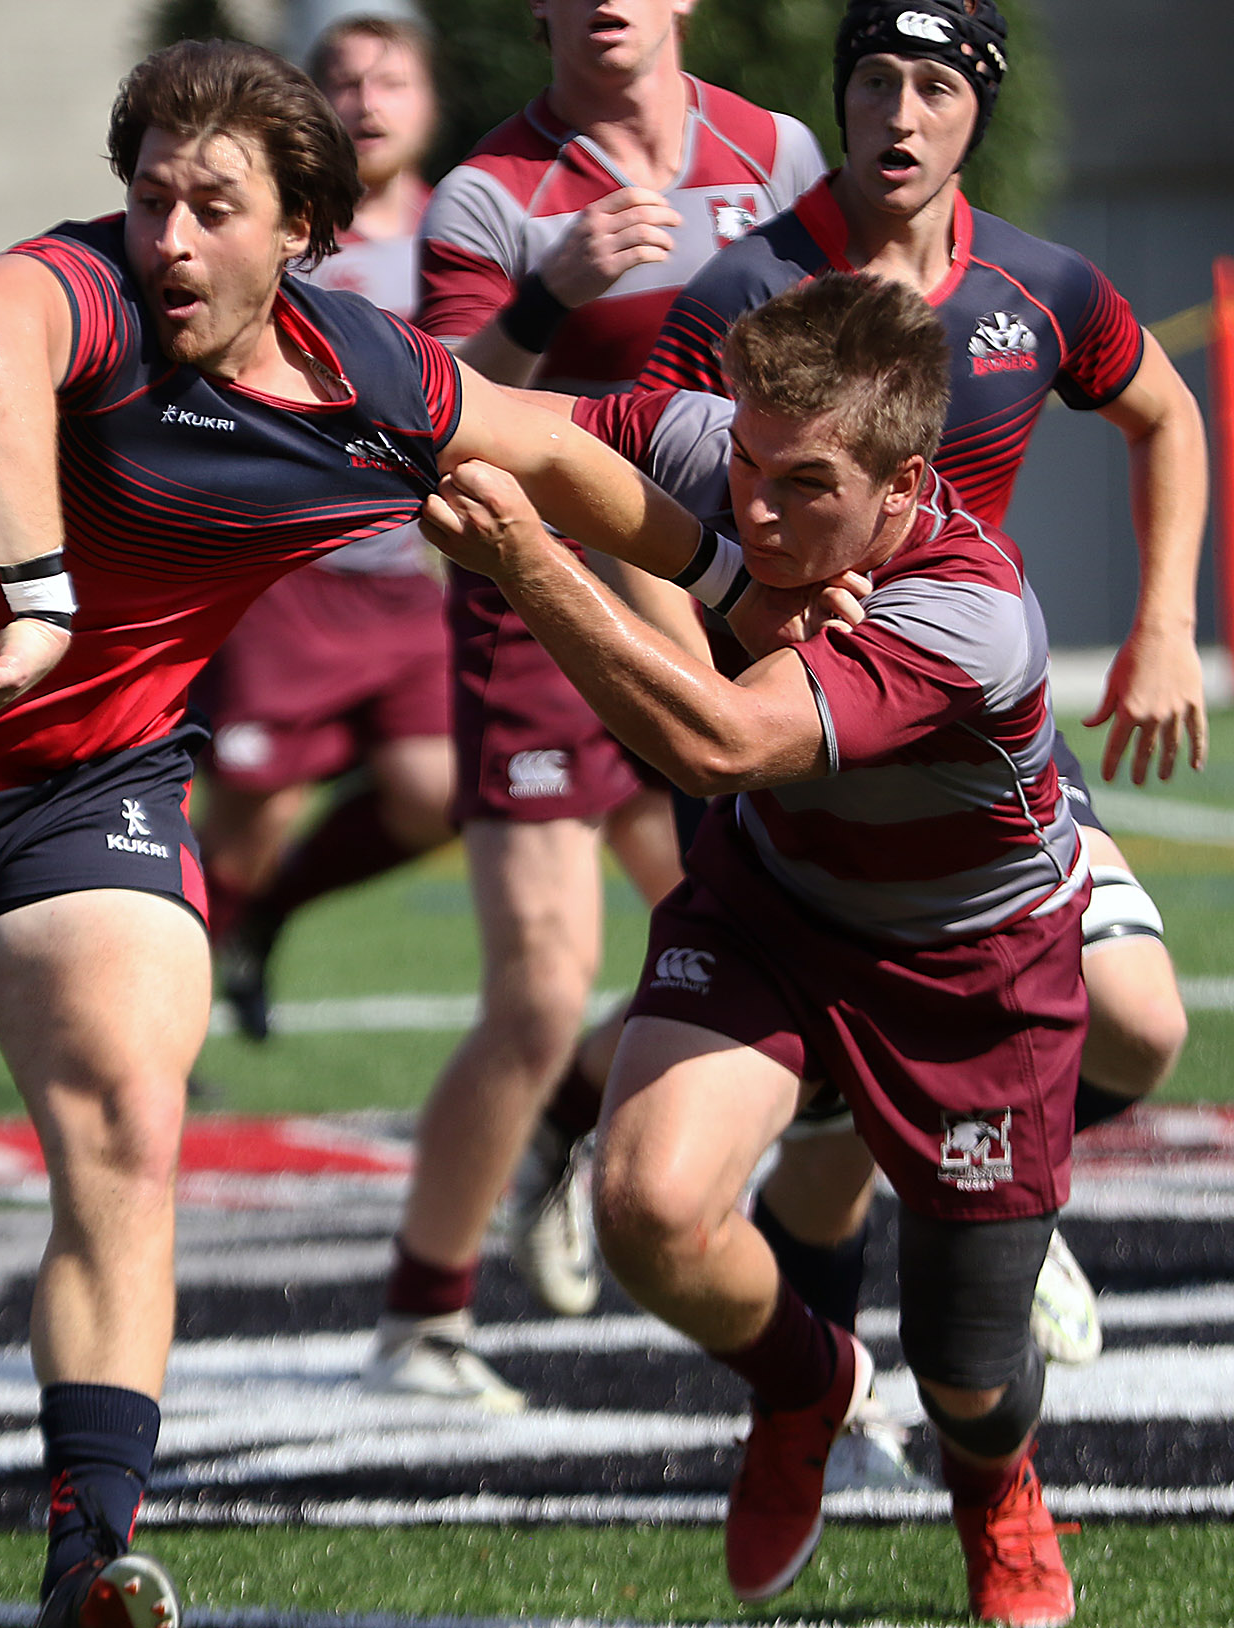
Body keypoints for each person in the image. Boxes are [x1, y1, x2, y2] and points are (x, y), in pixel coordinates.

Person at [0, 38, 843, 1628]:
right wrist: (36, 598)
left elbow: (569, 454)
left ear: (302, 225)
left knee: (121, 1121)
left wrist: (738, 585)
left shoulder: (371, 381)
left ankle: (89, 1552)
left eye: (212, 207)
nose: (168, 235)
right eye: (150, 195)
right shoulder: (80, 295)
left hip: (88, 789)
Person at [516, 0, 1208, 1388]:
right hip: (775, 723)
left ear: (977, 111)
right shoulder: (746, 289)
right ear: (841, 101)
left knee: (1144, 1023)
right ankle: (793, 1361)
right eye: (876, 81)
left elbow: (1165, 413)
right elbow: (633, 484)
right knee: (769, 1046)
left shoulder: (1042, 288)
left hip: (955, 709)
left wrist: (1166, 621)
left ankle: (996, 1184)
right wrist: (703, 632)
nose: (901, 113)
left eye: (936, 86)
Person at [425, 272, 1082, 1627]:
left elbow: (714, 742)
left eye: (805, 486)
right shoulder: (738, 446)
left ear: (904, 486)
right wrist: (312, 363)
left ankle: (995, 1488)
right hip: (773, 913)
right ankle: (807, 1386)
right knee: (647, 1210)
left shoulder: (966, 610)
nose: (759, 505)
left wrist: (531, 562)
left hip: (970, 974)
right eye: (743, 464)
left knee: (968, 1365)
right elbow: (525, 428)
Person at [364, 0, 826, 1410]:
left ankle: (587, 1127)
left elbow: (838, 369)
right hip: (545, 598)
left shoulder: (780, 152)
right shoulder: (495, 192)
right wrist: (548, 295)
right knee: (538, 993)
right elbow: (430, 411)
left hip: (729, 584)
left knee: (809, 935)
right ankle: (421, 1320)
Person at [194, 13, 452, 1041]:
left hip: (403, 585)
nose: (366, 101)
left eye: (389, 80)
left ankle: (268, 916)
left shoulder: (466, 232)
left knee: (437, 791)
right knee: (243, 828)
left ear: (428, 99)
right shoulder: (279, 233)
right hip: (285, 587)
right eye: (341, 81)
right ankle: (161, 1029)